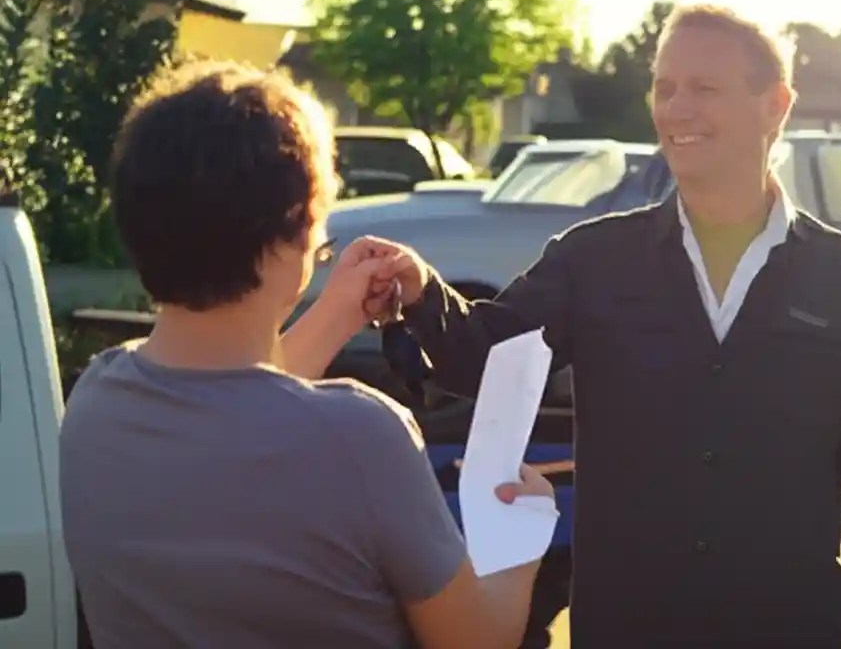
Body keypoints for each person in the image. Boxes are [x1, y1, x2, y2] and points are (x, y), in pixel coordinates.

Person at [361, 4, 841, 648]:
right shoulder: (593, 260)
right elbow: (486, 356)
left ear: (775, 106)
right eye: (665, 88)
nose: (676, 108)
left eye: (704, 88)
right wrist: (419, 291)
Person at [59, 61, 553, 649]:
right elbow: (476, 640)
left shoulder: (96, 401)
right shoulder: (363, 436)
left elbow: (237, 418)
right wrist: (520, 535)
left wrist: (338, 312)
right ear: (297, 230)